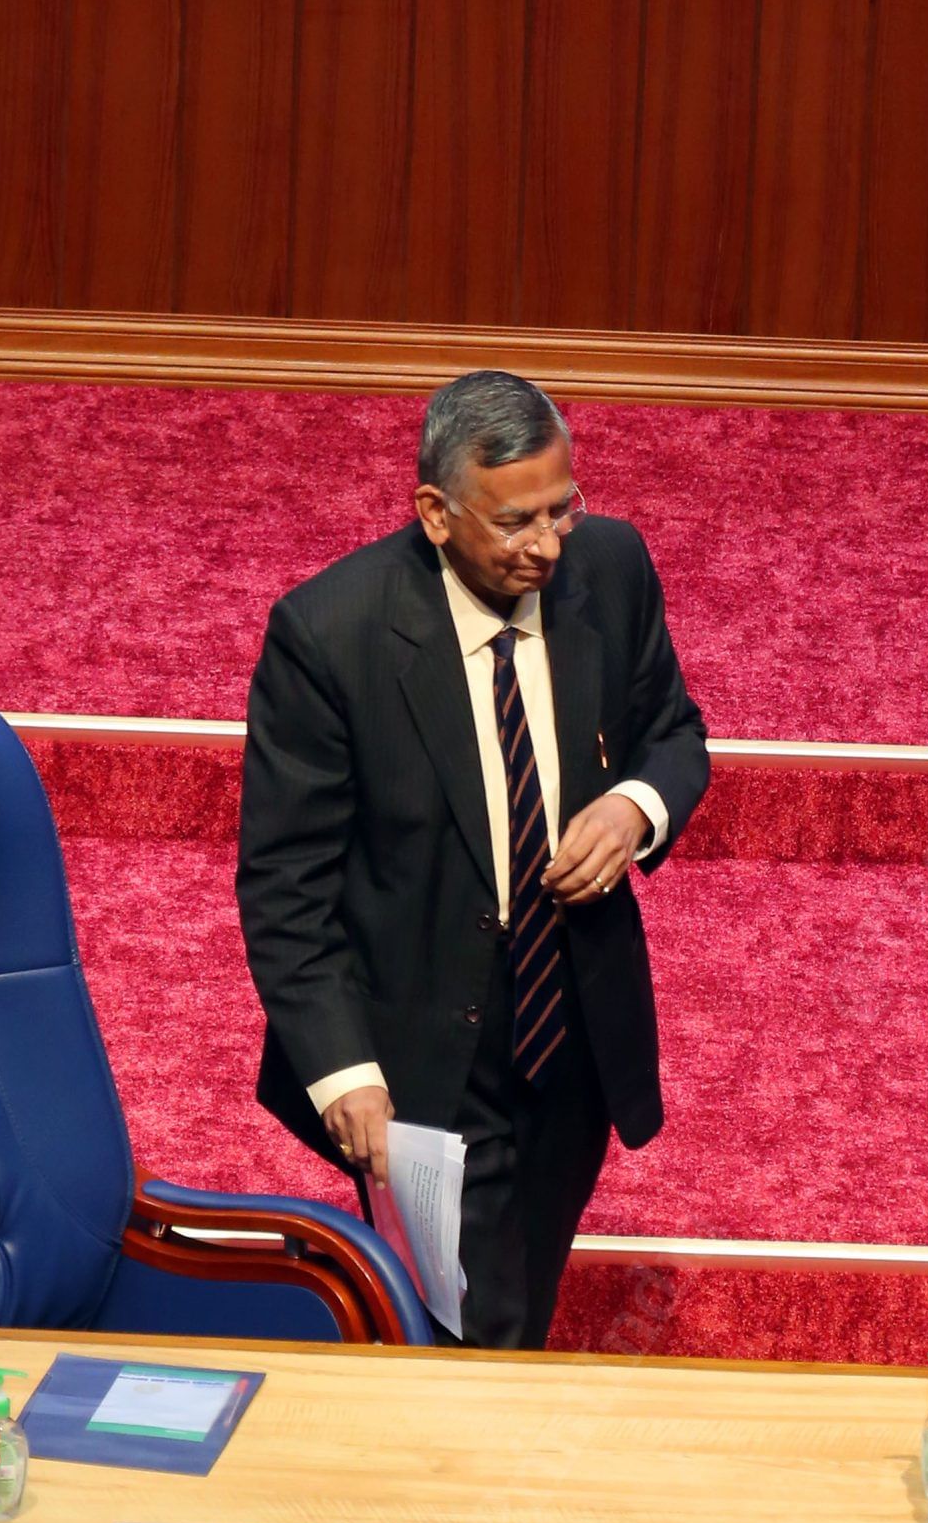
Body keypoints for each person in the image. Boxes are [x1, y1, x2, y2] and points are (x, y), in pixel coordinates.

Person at [237, 368, 710, 1347]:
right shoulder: (331, 635)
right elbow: (286, 888)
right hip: (425, 1064)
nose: (547, 545)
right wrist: (344, 1074)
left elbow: (673, 733)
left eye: (561, 509)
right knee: (469, 1334)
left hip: (572, 1036)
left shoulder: (611, 566)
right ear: (435, 513)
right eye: (515, 523)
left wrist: (634, 807)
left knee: (518, 1312)